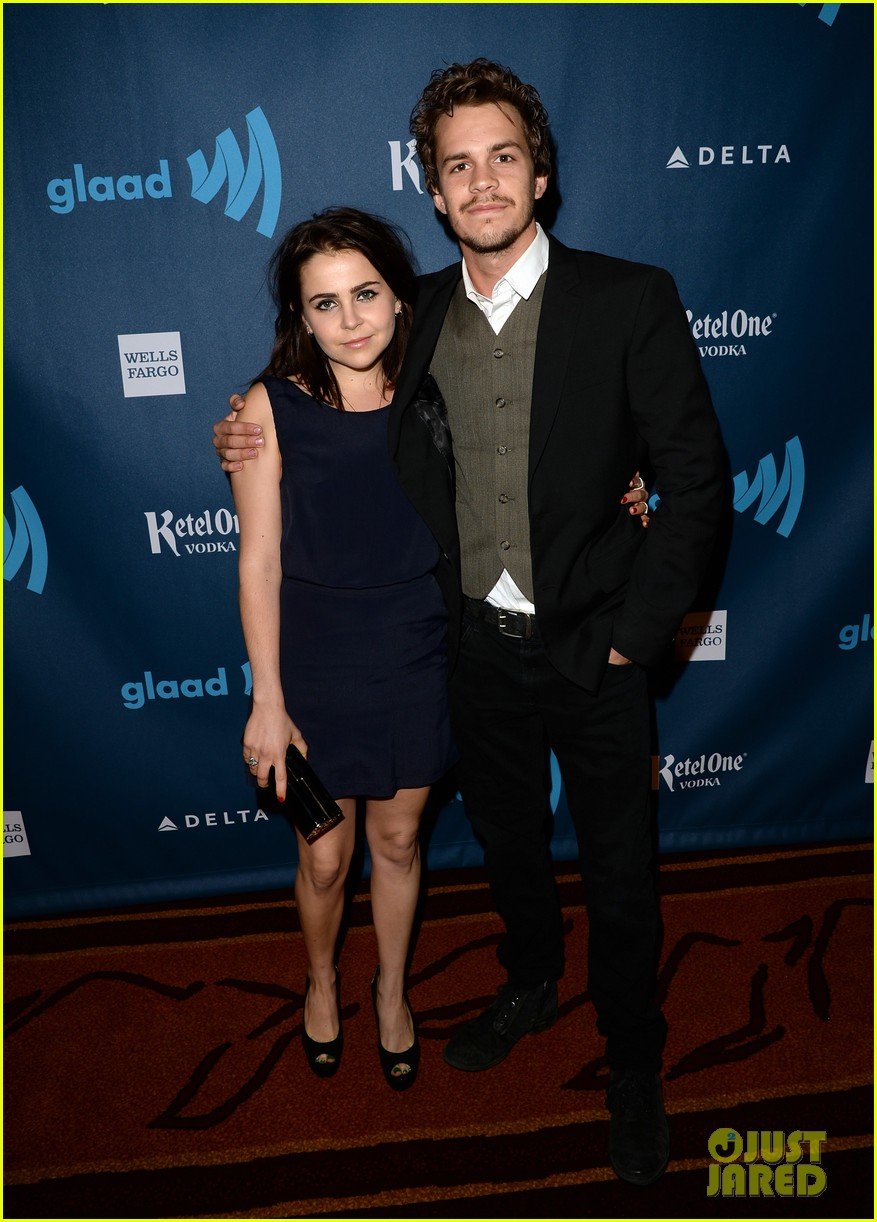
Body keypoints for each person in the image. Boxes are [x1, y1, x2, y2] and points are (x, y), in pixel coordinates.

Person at [214, 59, 724, 1185]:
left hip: (596, 649)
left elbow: (695, 479)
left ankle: (633, 1060)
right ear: (433, 194)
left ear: (539, 173)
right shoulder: (414, 316)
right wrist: (238, 431)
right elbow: (318, 403)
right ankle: (531, 981)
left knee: (621, 867)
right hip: (465, 654)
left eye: (503, 157)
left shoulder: (629, 295)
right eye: (457, 166)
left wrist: (639, 633)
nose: (481, 181)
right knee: (504, 846)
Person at [231, 208, 459, 1091]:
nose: (350, 318)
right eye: (323, 304)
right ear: (300, 315)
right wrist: (267, 696)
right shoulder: (267, 408)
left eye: (365, 294)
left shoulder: (440, 386)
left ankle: (392, 991)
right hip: (314, 654)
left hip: (416, 642)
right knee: (324, 855)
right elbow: (256, 562)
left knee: (398, 843)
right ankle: (322, 978)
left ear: (401, 298)